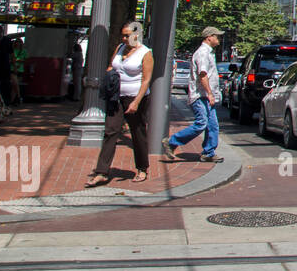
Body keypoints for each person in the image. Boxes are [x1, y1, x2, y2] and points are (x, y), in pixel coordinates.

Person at [88, 20, 153, 186]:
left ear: (136, 35)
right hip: (116, 97)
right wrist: (108, 75)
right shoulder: (119, 49)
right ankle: (101, 171)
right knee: (111, 131)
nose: (124, 38)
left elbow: (146, 80)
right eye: (122, 35)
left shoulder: (145, 53)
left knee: (137, 132)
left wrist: (136, 102)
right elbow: (112, 66)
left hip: (135, 97)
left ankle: (142, 168)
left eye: (127, 35)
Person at [162, 26, 224, 164]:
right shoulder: (202, 53)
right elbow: (203, 75)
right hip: (201, 95)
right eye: (217, 36)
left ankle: (209, 152)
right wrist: (209, 93)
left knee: (213, 125)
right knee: (202, 123)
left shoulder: (208, 52)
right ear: (209, 37)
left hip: (207, 95)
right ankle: (172, 142)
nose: (218, 39)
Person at [10, 37, 28, 105]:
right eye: (17, 42)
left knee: (14, 87)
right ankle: (19, 97)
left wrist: (18, 60)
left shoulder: (24, 51)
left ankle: (12, 101)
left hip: (20, 69)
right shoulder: (12, 50)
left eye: (19, 42)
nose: (18, 43)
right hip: (12, 69)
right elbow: (10, 59)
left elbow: (26, 60)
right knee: (15, 84)